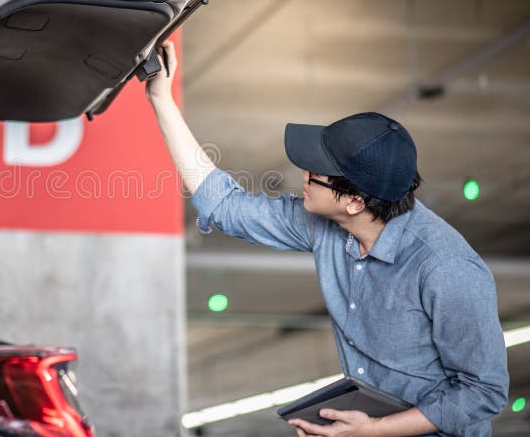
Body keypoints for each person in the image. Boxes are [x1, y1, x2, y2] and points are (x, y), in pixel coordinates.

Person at [146, 42, 509, 437]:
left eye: (314, 174)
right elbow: (226, 206)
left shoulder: (446, 268)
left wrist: (373, 430)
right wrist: (162, 99)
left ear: (354, 201)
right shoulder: (327, 225)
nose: (302, 174)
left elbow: (482, 393)